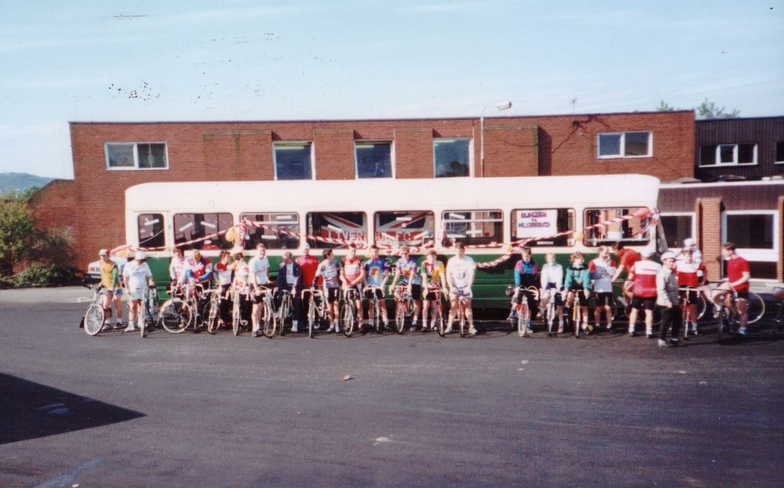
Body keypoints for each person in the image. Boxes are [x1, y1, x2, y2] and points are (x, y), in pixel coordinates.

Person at [714, 242, 751, 335]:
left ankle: (742, 330)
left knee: (741, 310)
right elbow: (732, 275)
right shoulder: (729, 261)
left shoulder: (742, 261)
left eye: (724, 251)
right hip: (730, 285)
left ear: (730, 251)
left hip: (741, 288)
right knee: (714, 293)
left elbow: (746, 276)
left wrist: (734, 284)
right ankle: (720, 309)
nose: (722, 253)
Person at [627, 249, 661, 338]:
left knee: (634, 310)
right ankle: (649, 331)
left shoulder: (636, 265)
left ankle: (631, 329)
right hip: (651, 292)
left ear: (642, 256)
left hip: (638, 291)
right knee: (649, 312)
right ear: (652, 256)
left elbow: (630, 278)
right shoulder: (658, 266)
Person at [388, 246, 423, 331]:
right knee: (397, 291)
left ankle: (414, 322)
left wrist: (410, 285)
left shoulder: (412, 261)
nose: (404, 255)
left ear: (408, 253)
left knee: (416, 301)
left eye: (406, 253)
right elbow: (398, 273)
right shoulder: (399, 261)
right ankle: (401, 311)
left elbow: (412, 274)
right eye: (402, 254)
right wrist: (393, 284)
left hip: (415, 281)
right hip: (405, 280)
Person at [445, 242, 476, 335]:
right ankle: (449, 326)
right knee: (453, 306)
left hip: (465, 286)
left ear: (464, 251)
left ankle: (471, 326)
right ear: (455, 251)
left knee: (468, 306)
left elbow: (472, 274)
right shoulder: (451, 261)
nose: (459, 253)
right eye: (458, 251)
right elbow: (448, 275)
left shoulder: (469, 260)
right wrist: (451, 287)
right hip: (455, 286)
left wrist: (468, 287)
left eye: (461, 251)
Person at [675, 248, 707, 336]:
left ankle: (694, 327)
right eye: (687, 256)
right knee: (678, 306)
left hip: (693, 287)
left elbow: (705, 270)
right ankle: (676, 325)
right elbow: (672, 272)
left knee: (693, 307)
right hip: (681, 287)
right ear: (683, 256)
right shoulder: (678, 264)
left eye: (690, 256)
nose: (689, 258)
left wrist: (702, 282)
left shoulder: (697, 264)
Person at [122, 251, 155, 333]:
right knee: (133, 306)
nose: (142, 262)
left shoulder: (145, 265)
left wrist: (151, 282)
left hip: (143, 288)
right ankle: (131, 325)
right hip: (133, 288)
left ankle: (141, 322)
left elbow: (149, 276)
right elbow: (125, 277)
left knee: (141, 305)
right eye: (141, 260)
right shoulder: (129, 265)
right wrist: (127, 288)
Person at [509, 247, 539, 334]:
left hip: (530, 285)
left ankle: (529, 323)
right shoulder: (519, 264)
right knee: (517, 297)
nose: (526, 258)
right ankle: (513, 312)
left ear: (530, 256)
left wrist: (535, 289)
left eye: (527, 256)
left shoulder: (534, 265)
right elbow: (517, 275)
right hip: (521, 283)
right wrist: (518, 286)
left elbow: (534, 278)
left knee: (530, 305)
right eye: (524, 256)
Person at [656, 251, 681, 347]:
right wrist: (667, 301)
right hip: (666, 302)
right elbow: (661, 289)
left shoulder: (671, 273)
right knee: (666, 321)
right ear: (664, 261)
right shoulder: (662, 274)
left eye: (673, 261)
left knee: (677, 319)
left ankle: (674, 339)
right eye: (670, 261)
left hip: (674, 300)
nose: (672, 263)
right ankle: (661, 339)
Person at [363, 244, 390, 329]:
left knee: (382, 304)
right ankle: (371, 323)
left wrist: (382, 285)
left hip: (379, 286)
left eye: (375, 251)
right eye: (372, 251)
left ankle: (386, 323)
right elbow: (364, 276)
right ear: (370, 252)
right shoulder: (367, 263)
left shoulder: (382, 262)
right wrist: (366, 285)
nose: (374, 253)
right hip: (371, 286)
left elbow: (386, 275)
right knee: (370, 304)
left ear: (378, 252)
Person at [589, 245, 617, 330]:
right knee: (598, 307)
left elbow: (612, 273)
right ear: (600, 252)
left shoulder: (611, 262)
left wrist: (606, 265)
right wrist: (604, 274)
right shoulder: (593, 262)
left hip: (608, 288)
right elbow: (593, 275)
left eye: (608, 252)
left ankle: (609, 325)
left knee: (608, 308)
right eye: (606, 252)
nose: (607, 254)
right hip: (598, 288)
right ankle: (597, 324)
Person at [315, 249, 342, 332]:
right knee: (329, 306)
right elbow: (316, 275)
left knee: (336, 305)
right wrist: (314, 285)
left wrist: (340, 284)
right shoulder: (322, 265)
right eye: (332, 254)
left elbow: (340, 273)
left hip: (336, 286)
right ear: (328, 256)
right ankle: (331, 324)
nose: (333, 255)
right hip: (327, 287)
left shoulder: (336, 263)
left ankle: (337, 323)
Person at [564, 251, 591, 332]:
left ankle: (585, 324)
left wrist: (586, 288)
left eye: (583, 259)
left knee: (584, 306)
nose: (582, 260)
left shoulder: (585, 267)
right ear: (575, 259)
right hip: (573, 286)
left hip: (582, 286)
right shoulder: (570, 267)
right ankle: (567, 307)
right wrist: (566, 288)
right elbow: (568, 278)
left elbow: (586, 278)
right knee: (570, 297)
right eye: (580, 259)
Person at [340, 243, 365, 330]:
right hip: (347, 285)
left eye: (354, 251)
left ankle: (360, 323)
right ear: (348, 250)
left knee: (359, 305)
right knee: (347, 304)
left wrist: (354, 282)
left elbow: (362, 274)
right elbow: (341, 275)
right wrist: (344, 281)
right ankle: (347, 323)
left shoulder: (360, 260)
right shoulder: (343, 260)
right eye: (351, 251)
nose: (353, 252)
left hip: (357, 285)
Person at [249, 243, 271, 337]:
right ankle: (254, 328)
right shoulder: (253, 261)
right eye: (261, 251)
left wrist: (267, 279)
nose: (262, 252)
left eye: (263, 251)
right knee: (256, 307)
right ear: (257, 251)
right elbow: (253, 277)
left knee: (261, 306)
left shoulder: (265, 259)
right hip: (255, 285)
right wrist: (256, 289)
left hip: (263, 284)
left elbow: (266, 270)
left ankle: (258, 325)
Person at [421, 249, 447, 331]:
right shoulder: (424, 263)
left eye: (433, 256)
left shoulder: (439, 263)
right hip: (427, 285)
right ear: (427, 256)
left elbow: (442, 276)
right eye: (430, 256)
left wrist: (444, 287)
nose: (432, 258)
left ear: (436, 256)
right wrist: (425, 288)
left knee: (434, 306)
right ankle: (424, 324)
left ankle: (433, 323)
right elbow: (424, 276)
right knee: (425, 306)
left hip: (436, 285)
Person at [276, 251, 302, 332]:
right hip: (285, 285)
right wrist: (278, 286)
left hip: (294, 285)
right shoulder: (282, 266)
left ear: (291, 258)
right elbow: (280, 277)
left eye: (286, 259)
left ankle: (295, 324)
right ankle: (280, 310)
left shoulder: (296, 266)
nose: (284, 261)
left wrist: (294, 288)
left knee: (295, 303)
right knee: (278, 296)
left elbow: (297, 278)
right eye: (283, 259)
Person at [98, 249, 123, 328]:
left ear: (108, 256)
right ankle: (107, 322)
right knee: (105, 305)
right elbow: (102, 273)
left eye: (104, 256)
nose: (102, 257)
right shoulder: (100, 263)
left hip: (116, 287)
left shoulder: (113, 264)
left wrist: (113, 286)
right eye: (101, 256)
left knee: (117, 304)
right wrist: (102, 281)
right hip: (106, 286)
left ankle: (119, 321)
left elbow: (115, 276)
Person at [539, 253, 565, 333]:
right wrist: (544, 287)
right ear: (547, 260)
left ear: (555, 259)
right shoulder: (545, 267)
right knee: (544, 297)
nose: (551, 260)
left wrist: (558, 288)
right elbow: (544, 278)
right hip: (548, 285)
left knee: (560, 306)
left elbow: (559, 278)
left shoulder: (559, 267)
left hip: (557, 285)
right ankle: (542, 311)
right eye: (549, 259)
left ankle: (561, 325)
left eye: (552, 258)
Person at [296, 243, 320, 325]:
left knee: (315, 302)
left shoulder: (314, 259)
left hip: (313, 284)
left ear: (308, 250)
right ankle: (305, 321)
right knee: (304, 303)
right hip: (303, 285)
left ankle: (316, 320)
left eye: (306, 249)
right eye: (303, 249)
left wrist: (318, 284)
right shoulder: (298, 260)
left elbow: (318, 271)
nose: (305, 251)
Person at [612, 241, 640, 307]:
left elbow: (620, 269)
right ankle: (628, 309)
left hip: (635, 275)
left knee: (625, 289)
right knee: (624, 291)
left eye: (615, 251)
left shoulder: (626, 255)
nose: (615, 254)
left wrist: (612, 280)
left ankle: (638, 302)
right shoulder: (626, 252)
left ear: (620, 250)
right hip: (632, 275)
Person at [214, 250, 234, 329]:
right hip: (222, 285)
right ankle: (222, 320)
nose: (229, 258)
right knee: (222, 303)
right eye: (227, 257)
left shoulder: (231, 265)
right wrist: (216, 281)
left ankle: (228, 320)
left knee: (229, 302)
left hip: (229, 285)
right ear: (222, 257)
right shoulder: (217, 265)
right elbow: (214, 272)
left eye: (229, 257)